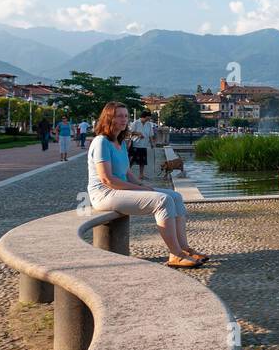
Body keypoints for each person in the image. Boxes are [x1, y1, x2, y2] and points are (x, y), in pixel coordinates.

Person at [87, 101, 206, 269]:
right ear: (108, 118)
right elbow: (108, 180)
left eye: (126, 116)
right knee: (162, 201)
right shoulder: (101, 142)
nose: (124, 120)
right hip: (104, 194)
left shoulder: (120, 142)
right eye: (119, 116)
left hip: (118, 190)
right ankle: (175, 254)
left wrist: (143, 185)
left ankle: (184, 249)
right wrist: (141, 189)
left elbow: (127, 173)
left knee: (176, 196)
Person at [129, 109, 155, 180]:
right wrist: (138, 134)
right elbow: (130, 132)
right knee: (131, 161)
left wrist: (152, 143)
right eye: (148, 117)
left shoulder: (149, 124)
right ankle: (126, 174)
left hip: (144, 145)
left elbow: (150, 135)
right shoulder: (135, 123)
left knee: (142, 161)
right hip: (135, 144)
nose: (149, 119)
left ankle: (141, 175)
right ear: (144, 116)